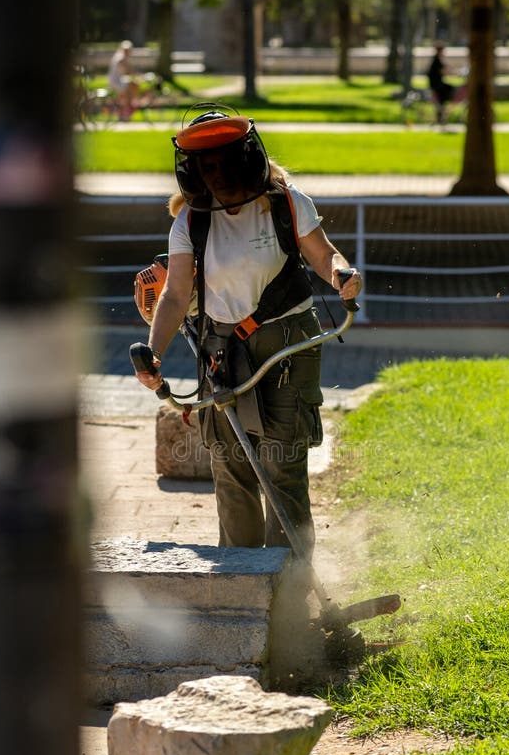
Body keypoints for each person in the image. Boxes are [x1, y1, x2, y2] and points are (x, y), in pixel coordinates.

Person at [133, 108, 362, 558]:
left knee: (282, 465)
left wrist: (342, 276)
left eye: (225, 162)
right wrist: (153, 353)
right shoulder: (191, 223)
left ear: (248, 158)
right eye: (208, 167)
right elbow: (176, 295)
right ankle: (240, 585)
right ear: (194, 172)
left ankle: (290, 595)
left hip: (287, 342)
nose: (219, 175)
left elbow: (323, 255)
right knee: (232, 465)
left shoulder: (286, 203)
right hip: (222, 349)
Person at [108, 40, 139, 120]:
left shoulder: (120, 56)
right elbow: (128, 70)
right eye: (127, 51)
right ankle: (129, 108)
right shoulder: (121, 58)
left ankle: (126, 110)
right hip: (116, 82)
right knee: (133, 86)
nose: (128, 52)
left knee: (132, 86)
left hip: (118, 81)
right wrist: (135, 76)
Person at [427, 41, 455, 125]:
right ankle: (442, 111)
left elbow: (444, 67)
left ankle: (440, 113)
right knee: (449, 89)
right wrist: (453, 72)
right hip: (436, 84)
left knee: (444, 93)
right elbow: (442, 70)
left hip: (436, 83)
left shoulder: (437, 59)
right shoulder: (436, 59)